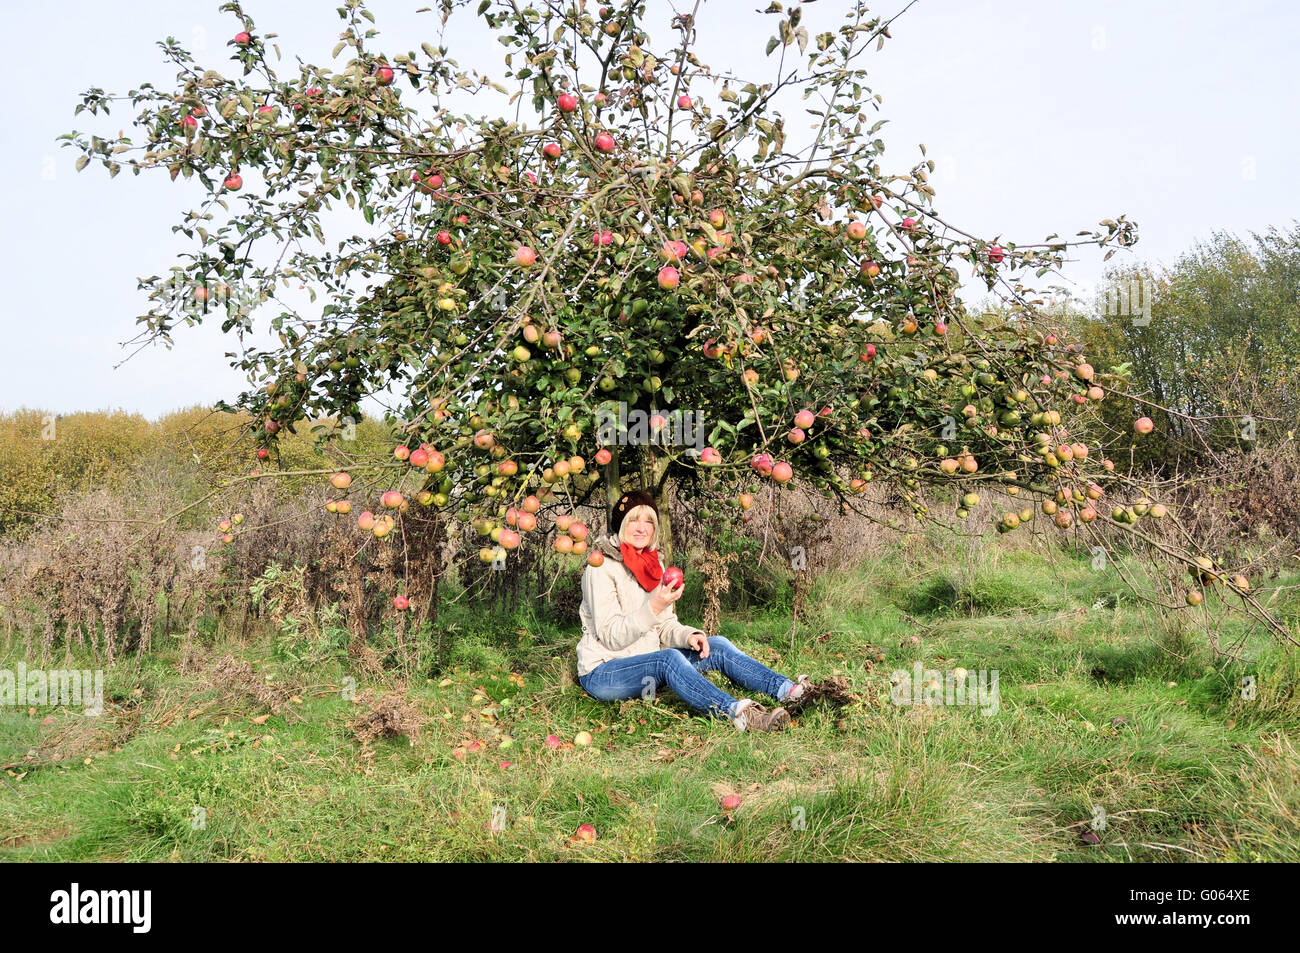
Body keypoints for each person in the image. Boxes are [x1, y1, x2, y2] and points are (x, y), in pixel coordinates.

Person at [576, 489, 811, 732]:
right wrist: (654, 606)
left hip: (647, 660)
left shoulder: (653, 565)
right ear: (621, 525)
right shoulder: (601, 567)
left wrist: (688, 635)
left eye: (649, 521)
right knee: (667, 660)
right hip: (605, 671)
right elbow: (612, 637)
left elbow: (665, 625)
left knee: (716, 645)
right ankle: (741, 716)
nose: (641, 528)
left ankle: (790, 692)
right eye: (633, 519)